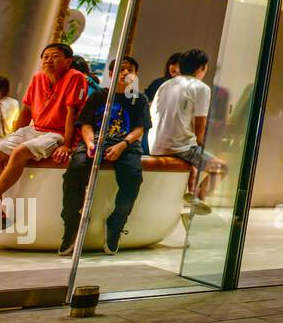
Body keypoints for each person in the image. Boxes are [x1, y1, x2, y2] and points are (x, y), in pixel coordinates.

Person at [0, 43, 87, 234]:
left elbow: (72, 113)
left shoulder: (76, 77)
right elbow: (27, 110)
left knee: (21, 152)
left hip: (56, 133)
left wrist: (66, 145)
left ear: (68, 61)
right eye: (45, 56)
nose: (48, 60)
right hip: (34, 129)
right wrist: (12, 136)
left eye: (55, 56)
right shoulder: (38, 78)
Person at [59, 57, 150, 255]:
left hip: (125, 145)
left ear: (136, 74)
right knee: (75, 170)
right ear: (111, 73)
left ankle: (116, 224)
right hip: (95, 141)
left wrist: (122, 145)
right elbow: (86, 124)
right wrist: (91, 143)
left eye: (129, 70)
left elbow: (139, 129)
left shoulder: (138, 98)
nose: (125, 73)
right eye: (121, 69)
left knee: (133, 177)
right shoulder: (98, 96)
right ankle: (72, 223)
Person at [149, 48, 216, 214]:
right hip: (180, 147)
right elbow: (199, 124)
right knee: (219, 168)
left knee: (196, 164)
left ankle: (193, 196)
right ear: (201, 68)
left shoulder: (165, 84)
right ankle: (197, 207)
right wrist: (201, 144)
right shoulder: (201, 88)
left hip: (155, 145)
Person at [142, 53, 181, 152]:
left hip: (174, 127)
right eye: (173, 64)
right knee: (147, 150)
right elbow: (145, 100)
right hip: (154, 123)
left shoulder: (186, 87)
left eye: (179, 65)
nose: (175, 68)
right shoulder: (159, 83)